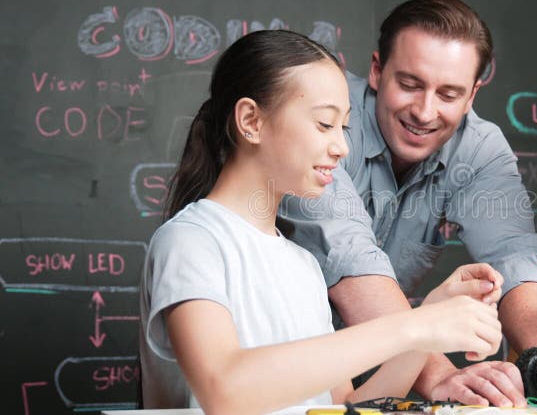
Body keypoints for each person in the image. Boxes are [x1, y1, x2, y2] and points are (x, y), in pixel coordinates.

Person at [138, 29, 507, 414]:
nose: (342, 147)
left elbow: (343, 405)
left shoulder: (304, 266)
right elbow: (224, 389)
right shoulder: (191, 242)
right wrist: (416, 326)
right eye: (324, 124)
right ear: (251, 120)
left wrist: (426, 328)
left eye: (344, 127)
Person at [279, 0, 537, 407]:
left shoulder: (480, 147)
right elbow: (350, 255)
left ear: (472, 95)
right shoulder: (328, 120)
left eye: (449, 94)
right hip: (276, 370)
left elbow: (515, 255)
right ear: (377, 70)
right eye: (409, 85)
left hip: (375, 380)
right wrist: (443, 377)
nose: (425, 112)